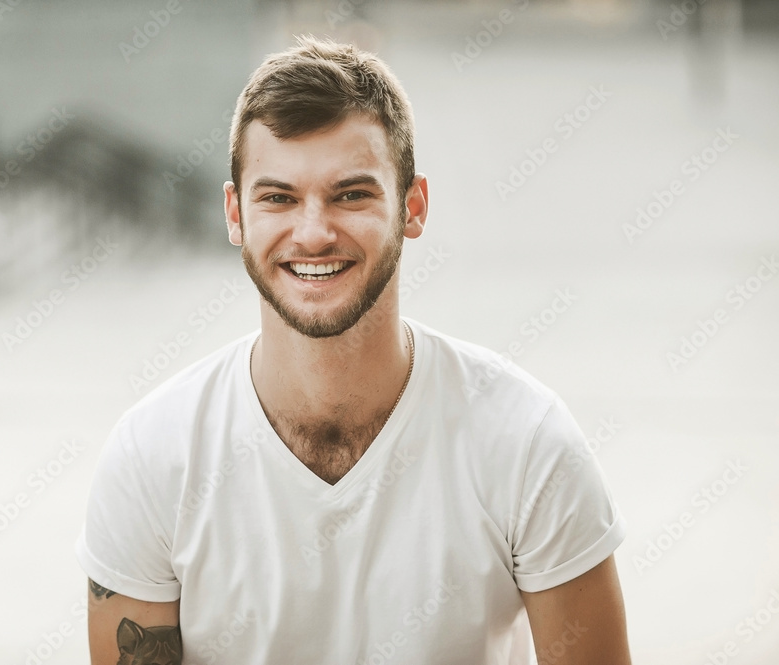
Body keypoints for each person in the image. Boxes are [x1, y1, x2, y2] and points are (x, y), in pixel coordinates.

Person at [75, 36, 632, 665]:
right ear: (235, 215)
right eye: (278, 197)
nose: (313, 233)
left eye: (352, 194)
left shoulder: (527, 442)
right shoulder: (152, 456)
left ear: (413, 206)